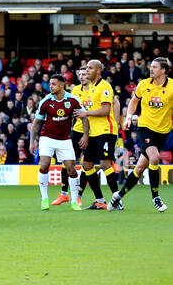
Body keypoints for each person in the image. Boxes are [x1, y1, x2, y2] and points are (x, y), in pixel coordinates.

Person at [110, 56, 172, 212]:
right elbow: (134, 101)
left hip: (163, 131)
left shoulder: (172, 86)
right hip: (145, 127)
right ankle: (156, 198)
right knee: (155, 157)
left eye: (155, 67)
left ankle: (118, 196)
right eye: (151, 66)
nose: (151, 69)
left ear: (163, 70)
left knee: (139, 168)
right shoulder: (143, 85)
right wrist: (129, 117)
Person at [70, 59, 122, 209]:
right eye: (86, 68)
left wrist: (86, 112)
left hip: (106, 130)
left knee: (106, 164)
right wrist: (86, 134)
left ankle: (117, 200)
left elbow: (106, 110)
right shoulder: (91, 87)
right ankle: (100, 200)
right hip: (93, 132)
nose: (87, 71)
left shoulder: (105, 86)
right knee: (86, 165)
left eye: (90, 68)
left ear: (98, 71)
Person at [29, 74, 84, 212]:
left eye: (53, 84)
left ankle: (74, 201)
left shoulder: (73, 100)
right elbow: (36, 123)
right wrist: (32, 141)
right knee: (45, 164)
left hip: (65, 139)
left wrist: (86, 136)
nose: (50, 86)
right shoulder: (46, 101)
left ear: (61, 85)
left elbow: (84, 118)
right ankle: (44, 199)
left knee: (71, 169)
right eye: (50, 84)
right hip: (47, 137)